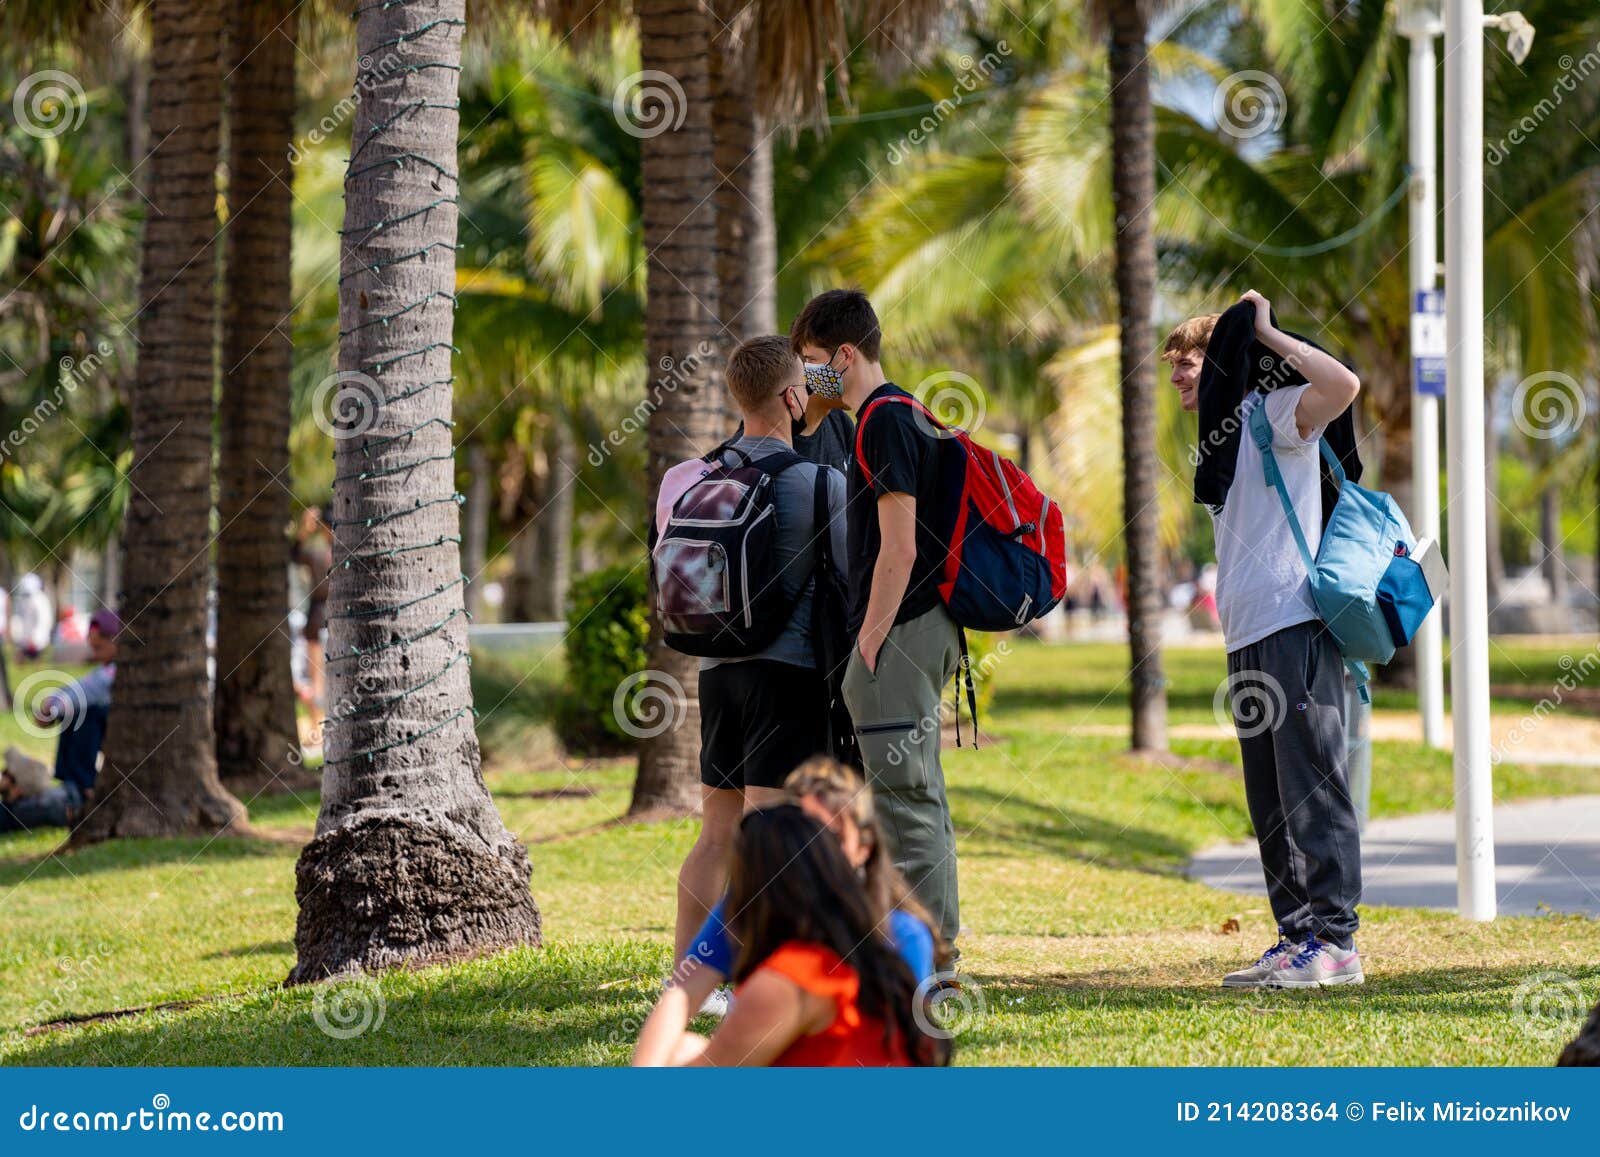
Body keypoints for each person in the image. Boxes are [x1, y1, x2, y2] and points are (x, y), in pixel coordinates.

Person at [1165, 289, 1365, 989]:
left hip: (1293, 620)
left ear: (1223, 359)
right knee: (1270, 799)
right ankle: (1296, 935)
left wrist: (1266, 332)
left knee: (1313, 783)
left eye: (1189, 360)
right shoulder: (1219, 440)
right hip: (1246, 631)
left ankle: (1338, 941)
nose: (1177, 376)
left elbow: (1343, 385)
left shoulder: (1272, 415)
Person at [667, 336, 849, 1004]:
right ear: (791, 396)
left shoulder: (692, 477)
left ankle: (688, 976)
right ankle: (757, 980)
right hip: (788, 673)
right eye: (805, 384)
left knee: (715, 832)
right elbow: (850, 579)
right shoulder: (819, 480)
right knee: (773, 835)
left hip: (717, 671)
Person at [791, 288, 963, 952]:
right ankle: (917, 949)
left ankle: (927, 960)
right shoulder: (898, 413)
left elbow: (901, 546)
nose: (804, 377)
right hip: (918, 629)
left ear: (842, 354)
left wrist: (867, 644)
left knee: (903, 804)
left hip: (900, 631)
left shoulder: (883, 419)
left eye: (810, 361)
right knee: (912, 797)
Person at [635, 757, 946, 1059]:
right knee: (681, 1048)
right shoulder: (748, 907)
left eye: (833, 837)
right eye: (805, 834)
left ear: (865, 847)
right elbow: (681, 994)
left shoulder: (902, 935)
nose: (816, 850)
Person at [0, 609, 119, 834]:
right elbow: (82, 686)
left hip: (106, 734)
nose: (95, 653)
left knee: (85, 711)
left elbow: (89, 690)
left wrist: (53, 707)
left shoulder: (118, 673)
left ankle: (79, 788)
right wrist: (55, 703)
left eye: (99, 647)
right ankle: (72, 784)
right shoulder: (105, 670)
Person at [292, 506, 334, 732]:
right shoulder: (322, 555)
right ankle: (319, 727)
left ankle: (320, 727)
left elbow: (293, 553)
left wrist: (304, 531)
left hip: (319, 619)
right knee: (317, 680)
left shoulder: (321, 554)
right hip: (318, 619)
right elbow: (293, 554)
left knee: (317, 679)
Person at [10, 573, 53, 660]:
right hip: (25, 639)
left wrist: (34, 637)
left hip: (37, 640)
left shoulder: (40, 600)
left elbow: (43, 621)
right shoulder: (23, 600)